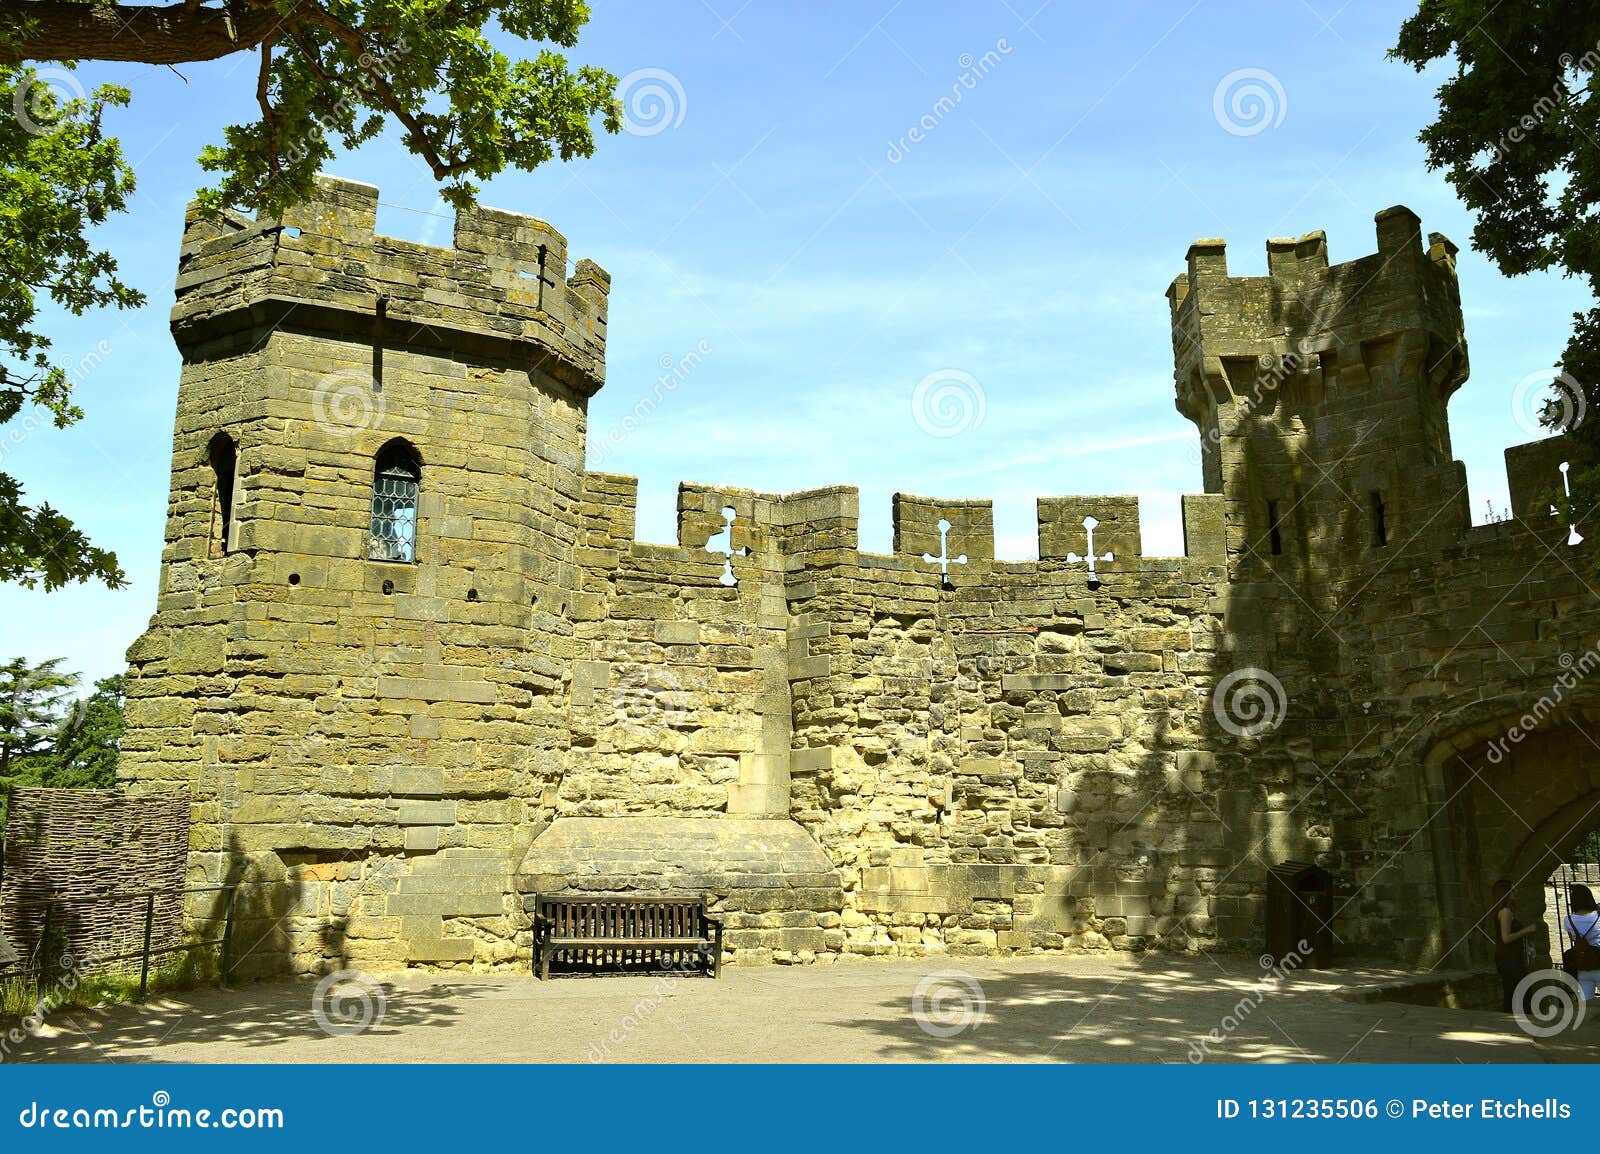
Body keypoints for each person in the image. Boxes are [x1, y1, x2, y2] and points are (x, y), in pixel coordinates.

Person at [1493, 879, 1539, 1014]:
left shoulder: (1506, 910)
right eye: (1513, 890)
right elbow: (1506, 938)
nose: (1516, 892)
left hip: (1511, 956)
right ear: (1505, 892)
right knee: (1519, 991)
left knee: (1515, 991)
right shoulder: (1506, 911)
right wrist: (1527, 930)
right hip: (1509, 957)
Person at [1564, 884, 1600, 1002]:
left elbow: (1573, 938)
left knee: (1587, 1004)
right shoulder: (1598, 916)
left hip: (1582, 965)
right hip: (1598, 960)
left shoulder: (1568, 920)